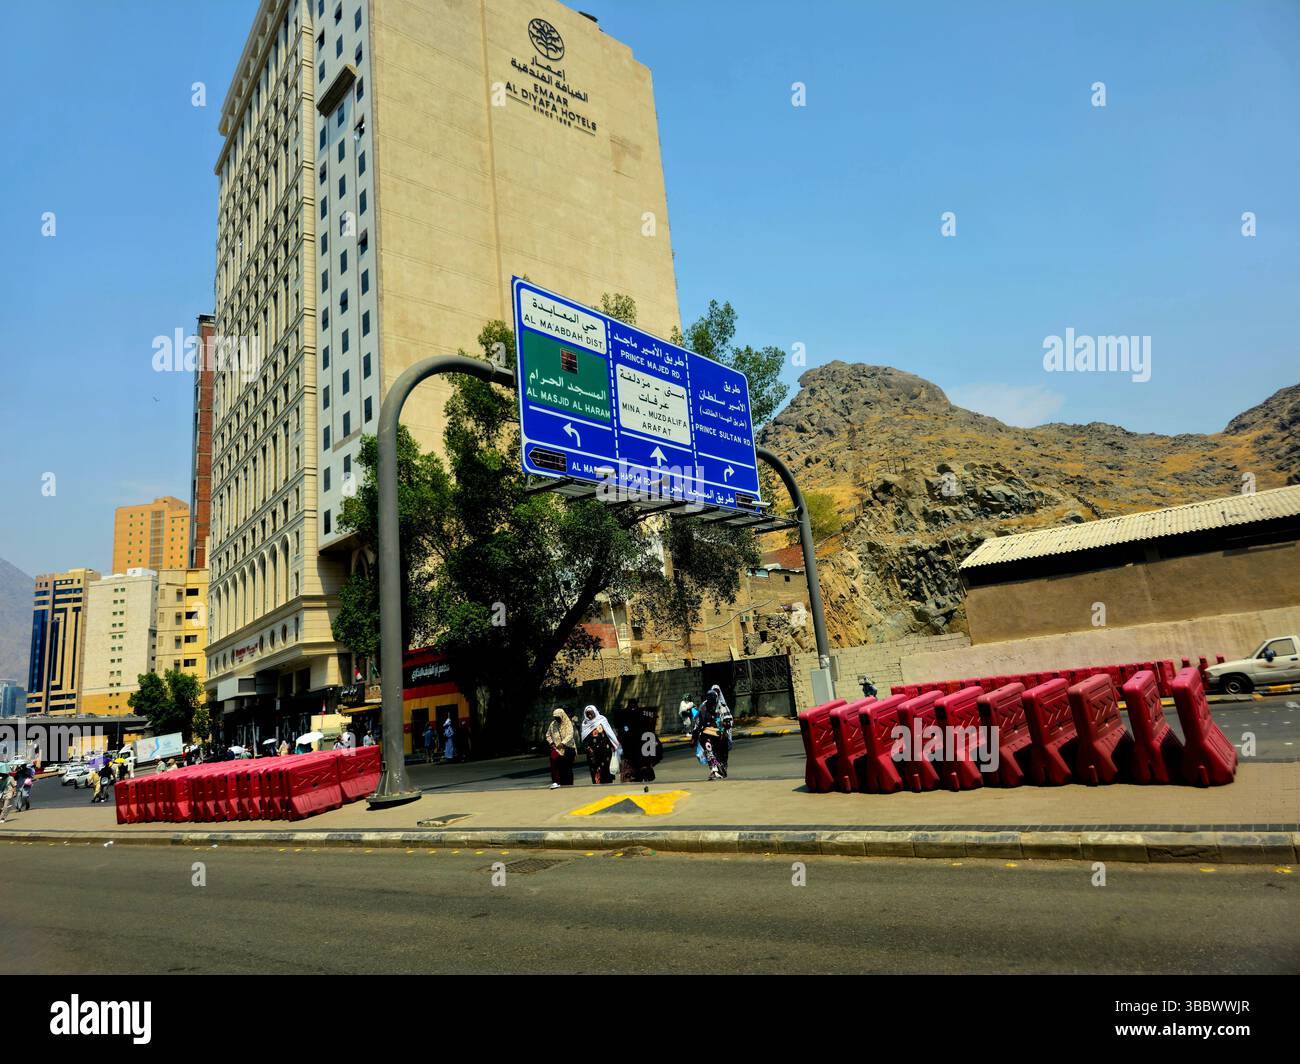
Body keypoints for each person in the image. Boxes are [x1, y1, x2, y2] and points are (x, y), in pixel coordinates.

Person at [694, 685, 733, 781]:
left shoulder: (722, 706)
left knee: (722, 752)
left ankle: (723, 767)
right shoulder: (703, 707)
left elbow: (729, 721)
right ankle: (713, 769)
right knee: (709, 750)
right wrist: (695, 733)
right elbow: (698, 721)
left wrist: (724, 727)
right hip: (708, 734)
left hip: (722, 734)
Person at [579, 705, 620, 785]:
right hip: (592, 754)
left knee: (606, 770)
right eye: (588, 714)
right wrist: (588, 749)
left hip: (605, 751)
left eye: (591, 713)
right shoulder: (585, 724)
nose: (590, 716)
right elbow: (584, 740)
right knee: (596, 771)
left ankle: (608, 785)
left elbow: (609, 734)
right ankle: (598, 788)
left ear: (595, 712)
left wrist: (613, 746)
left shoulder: (602, 720)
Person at [544, 708, 576, 789]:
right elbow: (548, 735)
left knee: (567, 768)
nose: (556, 719)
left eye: (558, 717)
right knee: (558, 767)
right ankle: (559, 783)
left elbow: (570, 735)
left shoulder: (568, 723)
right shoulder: (552, 724)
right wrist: (551, 743)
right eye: (555, 717)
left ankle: (569, 784)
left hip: (568, 748)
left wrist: (563, 743)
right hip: (557, 749)